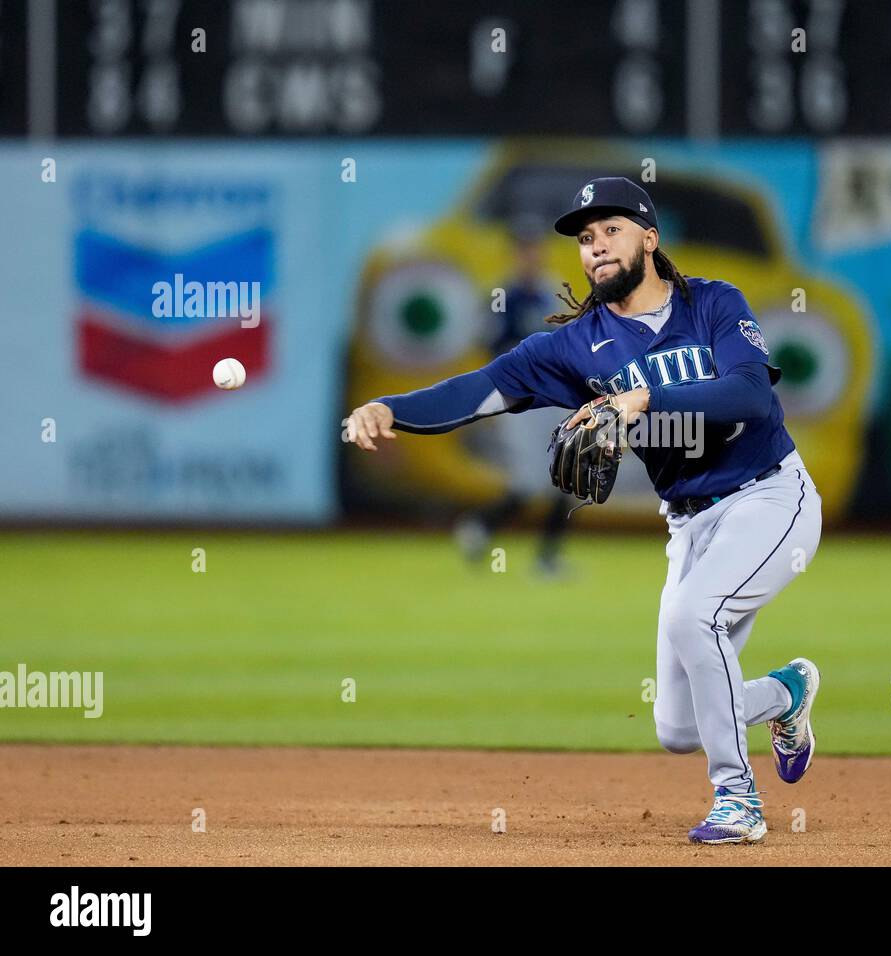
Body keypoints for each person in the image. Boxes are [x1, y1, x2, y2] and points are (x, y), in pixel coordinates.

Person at [344, 177, 823, 845]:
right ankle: (786, 695)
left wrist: (641, 401)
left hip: (770, 496)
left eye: (611, 230)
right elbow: (478, 389)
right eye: (585, 238)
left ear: (650, 239)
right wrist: (391, 409)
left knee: (694, 616)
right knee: (677, 728)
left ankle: (737, 799)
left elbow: (746, 396)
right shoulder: (575, 346)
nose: (595, 246)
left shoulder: (713, 303)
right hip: (689, 522)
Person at [453, 214, 572, 576]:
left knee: (565, 476)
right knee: (530, 481)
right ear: (515, 254)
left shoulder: (553, 290)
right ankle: (481, 527)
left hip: (553, 398)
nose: (530, 255)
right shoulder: (503, 295)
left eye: (534, 248)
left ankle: (542, 556)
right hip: (519, 401)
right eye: (524, 249)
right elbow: (486, 344)